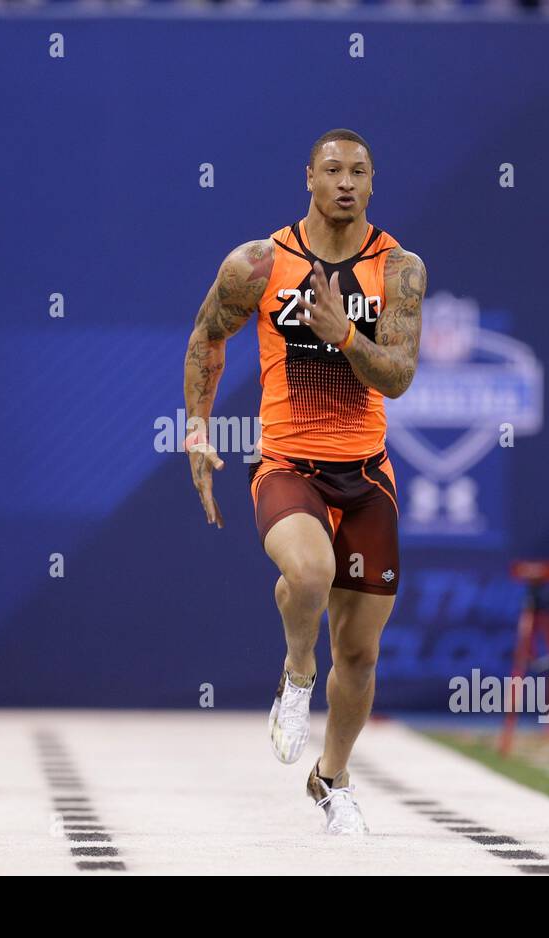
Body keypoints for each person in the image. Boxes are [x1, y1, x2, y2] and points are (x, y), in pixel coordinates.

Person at [182, 129, 425, 833]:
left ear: (372, 184)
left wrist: (346, 333)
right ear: (308, 179)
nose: (346, 182)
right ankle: (295, 672)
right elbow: (207, 335)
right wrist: (198, 431)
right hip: (289, 465)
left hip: (366, 474)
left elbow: (401, 376)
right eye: (332, 170)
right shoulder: (260, 262)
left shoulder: (399, 268)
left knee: (360, 650)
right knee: (310, 575)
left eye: (359, 171)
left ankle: (332, 778)